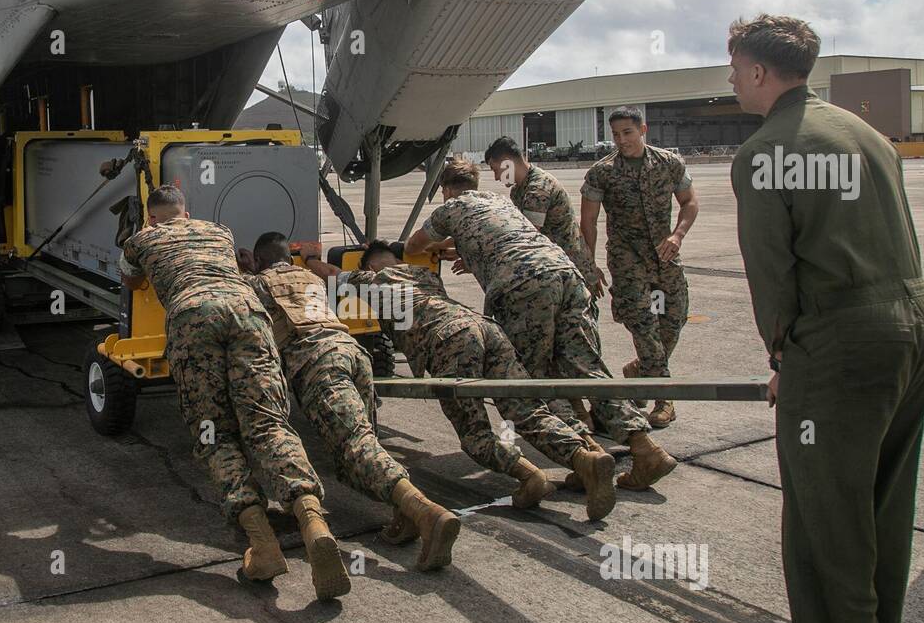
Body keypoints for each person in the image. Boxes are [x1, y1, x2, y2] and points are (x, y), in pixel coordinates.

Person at [729, 14, 924, 623]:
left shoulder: (764, 150)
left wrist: (787, 360)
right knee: (880, 516)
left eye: (734, 67)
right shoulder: (867, 133)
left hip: (840, 344)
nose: (731, 79)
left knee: (825, 535)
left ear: (759, 71)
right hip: (915, 329)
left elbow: (774, 277)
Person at [119, 186, 349, 600]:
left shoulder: (141, 238)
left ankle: (262, 546)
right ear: (186, 215)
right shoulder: (219, 231)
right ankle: (313, 522)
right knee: (268, 424)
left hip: (193, 315)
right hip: (248, 312)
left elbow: (131, 279)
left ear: (153, 219)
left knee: (214, 433)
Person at [405, 158, 676, 491]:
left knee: (534, 379)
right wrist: (463, 245)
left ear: (446, 189)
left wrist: (440, 246)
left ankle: (586, 454)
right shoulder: (498, 201)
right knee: (584, 367)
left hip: (522, 286)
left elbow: (412, 246)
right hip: (564, 274)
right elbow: (505, 235)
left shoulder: (449, 209)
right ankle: (645, 448)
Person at [302, 240, 618, 523]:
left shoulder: (374, 278)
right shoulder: (425, 275)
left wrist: (309, 258)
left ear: (370, 265)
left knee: (473, 431)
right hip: (486, 328)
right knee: (525, 407)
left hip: (449, 340)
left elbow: (331, 274)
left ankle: (530, 475)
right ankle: (584, 457)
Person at [238, 232, 460, 570]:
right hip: (353, 354)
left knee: (357, 449)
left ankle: (426, 512)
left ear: (259, 261)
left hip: (316, 361)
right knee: (364, 443)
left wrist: (243, 268)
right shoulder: (309, 277)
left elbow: (232, 294)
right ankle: (406, 515)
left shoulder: (258, 283)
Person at [580, 107, 699, 427]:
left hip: (664, 255)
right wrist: (589, 265)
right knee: (645, 327)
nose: (621, 140)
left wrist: (678, 235)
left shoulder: (669, 163)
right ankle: (664, 398)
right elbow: (588, 222)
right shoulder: (601, 172)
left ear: (642, 130)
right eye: (615, 135)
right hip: (626, 258)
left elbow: (689, 202)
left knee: (672, 321)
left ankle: (641, 370)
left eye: (627, 133)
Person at [484, 136, 603, 296]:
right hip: (556, 269)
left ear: (507, 162)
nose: (496, 177)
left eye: (495, 169)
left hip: (571, 272)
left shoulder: (538, 188)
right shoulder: (519, 190)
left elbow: (526, 238)